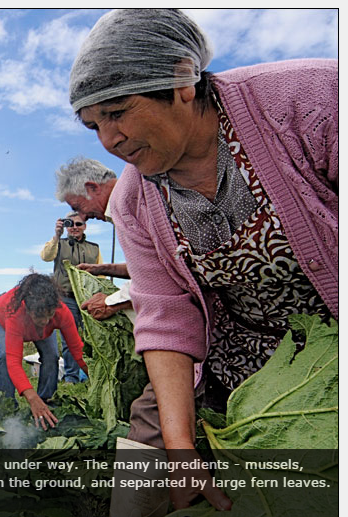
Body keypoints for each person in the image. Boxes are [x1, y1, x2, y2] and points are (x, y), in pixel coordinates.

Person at [68, 8, 337, 512]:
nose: (108, 140)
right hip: (230, 358)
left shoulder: (313, 101)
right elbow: (165, 315)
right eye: (94, 125)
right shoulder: (133, 200)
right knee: (142, 481)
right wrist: (180, 446)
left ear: (181, 80)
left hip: (330, 356)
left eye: (118, 112)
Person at [0, 273, 89, 430]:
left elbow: (78, 351)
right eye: (39, 315)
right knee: (5, 357)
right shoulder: (15, 312)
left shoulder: (61, 312)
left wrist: (96, 379)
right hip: (3, 318)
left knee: (51, 356)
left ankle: (45, 403)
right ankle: (6, 406)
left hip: (38, 330)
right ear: (28, 309)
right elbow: (13, 362)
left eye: (49, 315)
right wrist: (31, 397)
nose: (45, 321)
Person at [54, 157, 135, 322]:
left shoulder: (135, 205)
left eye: (78, 207)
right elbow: (142, 267)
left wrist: (110, 303)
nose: (83, 217)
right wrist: (101, 269)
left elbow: (158, 274)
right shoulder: (126, 205)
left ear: (92, 188)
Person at [40, 210, 100, 382]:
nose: (74, 227)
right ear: (65, 227)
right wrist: (56, 235)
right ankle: (71, 377)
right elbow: (45, 257)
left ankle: (91, 375)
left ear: (85, 226)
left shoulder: (94, 248)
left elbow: (100, 274)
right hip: (65, 297)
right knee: (68, 337)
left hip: (88, 297)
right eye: (70, 224)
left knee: (92, 337)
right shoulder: (58, 243)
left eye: (78, 224)